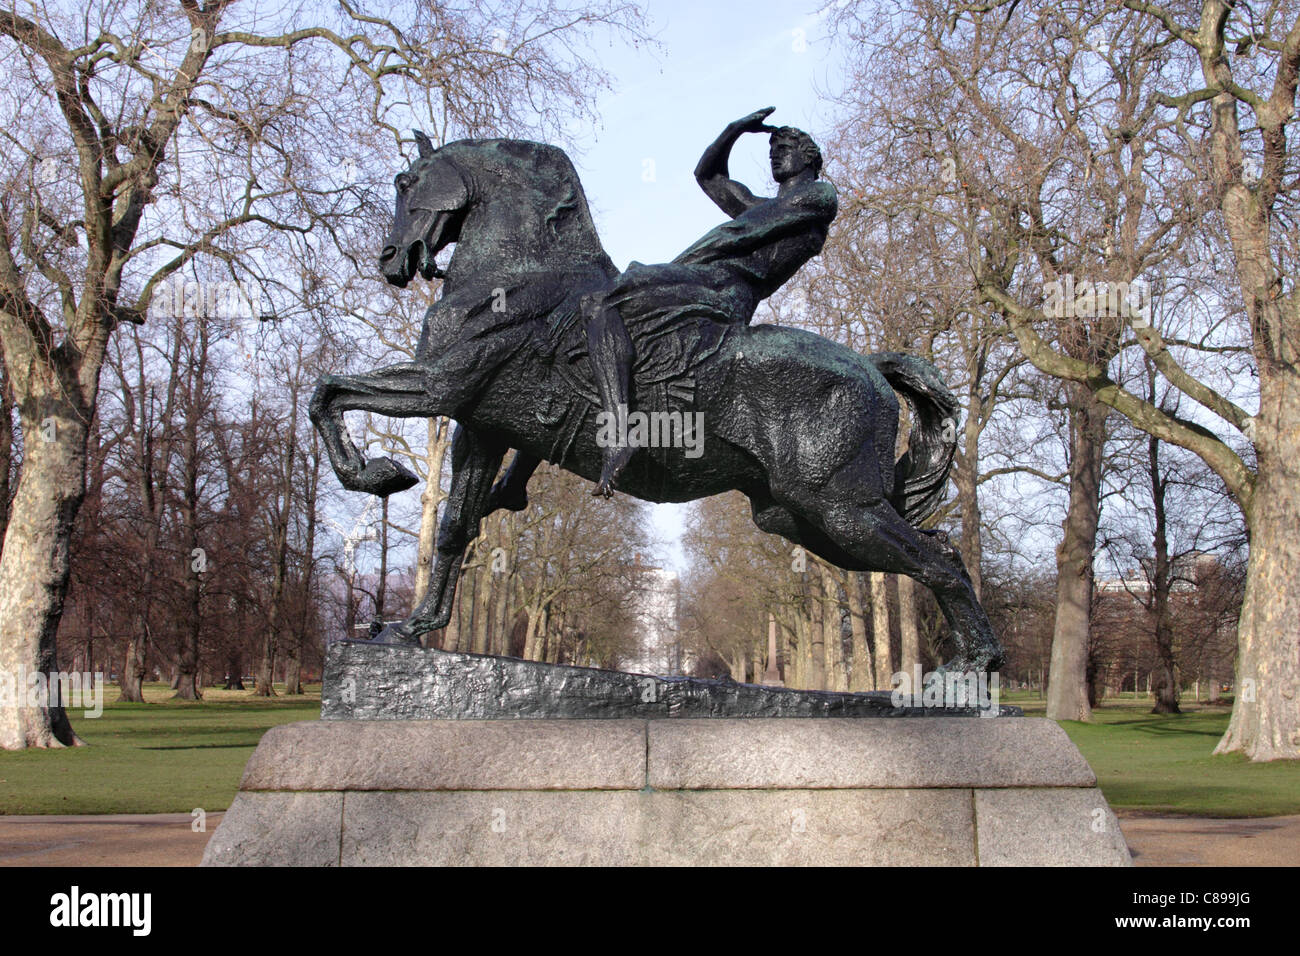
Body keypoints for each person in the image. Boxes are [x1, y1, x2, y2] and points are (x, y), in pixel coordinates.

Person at [583, 107, 838, 496]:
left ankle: (619, 432)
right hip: (712, 281)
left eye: (784, 145)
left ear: (809, 156)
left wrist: (666, 269)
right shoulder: (764, 207)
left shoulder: (818, 197)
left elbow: (735, 236)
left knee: (603, 300)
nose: (774, 152)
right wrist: (734, 131)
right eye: (771, 146)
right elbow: (709, 177)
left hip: (726, 291)